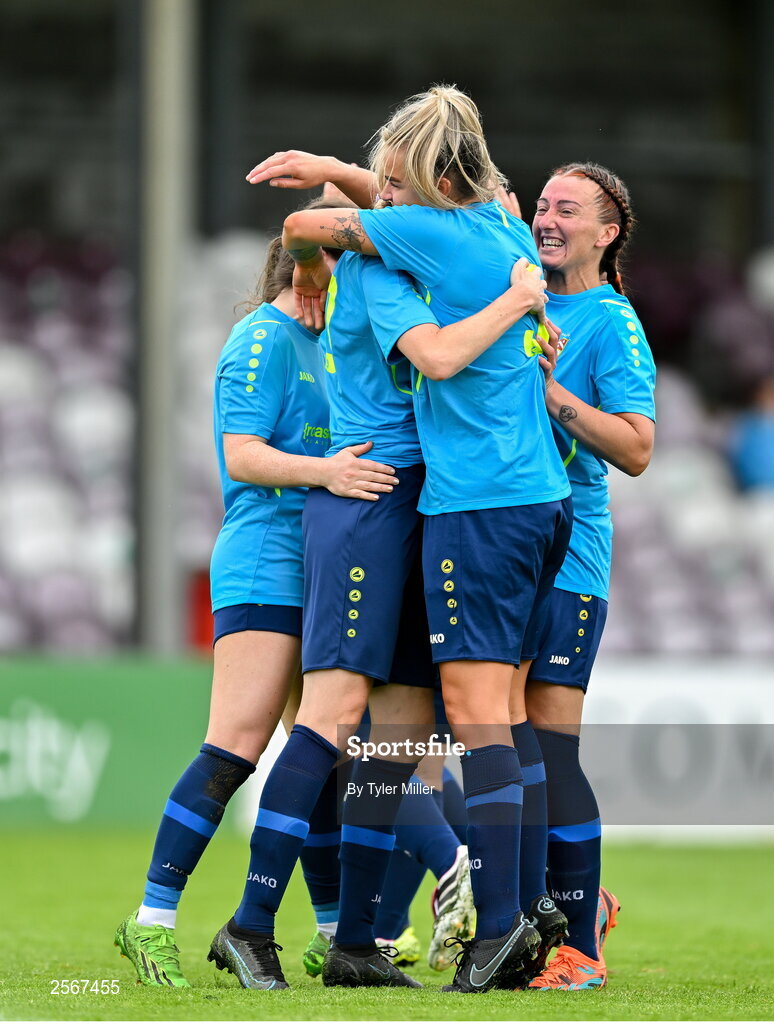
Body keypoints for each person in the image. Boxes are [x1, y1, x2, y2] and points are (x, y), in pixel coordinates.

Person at [246, 84, 573, 993]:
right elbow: (377, 211)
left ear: (418, 173)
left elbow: (317, 231)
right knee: (426, 720)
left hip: (466, 504)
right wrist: (340, 174)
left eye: (390, 169)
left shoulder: (407, 246)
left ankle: (501, 925)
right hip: (514, 501)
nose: (378, 185)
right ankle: (365, 937)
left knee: (462, 721)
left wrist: (312, 242)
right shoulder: (506, 225)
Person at [113, 209, 399, 989]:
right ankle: (150, 921)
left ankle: (336, 935)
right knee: (234, 747)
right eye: (341, 264)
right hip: (266, 557)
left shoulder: (335, 343)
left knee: (327, 754)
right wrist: (329, 473)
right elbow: (240, 457)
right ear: (307, 266)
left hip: (322, 563)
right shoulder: (263, 338)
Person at [512, 162, 655, 990]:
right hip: (504, 541)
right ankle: (548, 909)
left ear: (606, 234)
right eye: (542, 206)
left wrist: (553, 392)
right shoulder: (515, 299)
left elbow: (637, 447)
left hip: (569, 555)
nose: (548, 219)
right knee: (497, 740)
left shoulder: (610, 320)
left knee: (550, 745)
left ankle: (582, 951)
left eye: (568, 209)